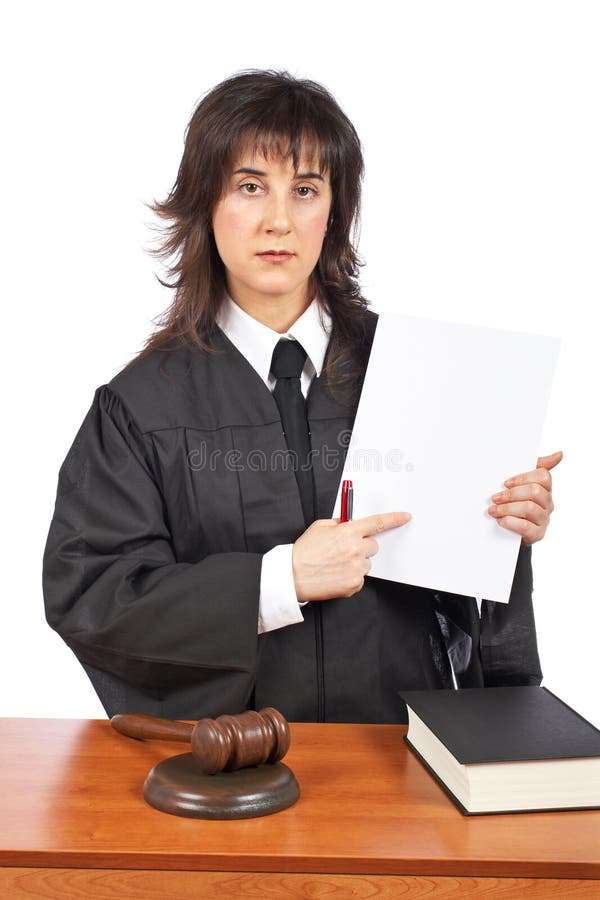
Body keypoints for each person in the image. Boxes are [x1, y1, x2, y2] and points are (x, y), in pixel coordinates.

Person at [42, 69, 562, 724]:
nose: (279, 220)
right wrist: (278, 581)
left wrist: (505, 527)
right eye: (251, 186)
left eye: (307, 189)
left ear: (334, 212)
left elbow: (471, 603)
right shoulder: (140, 408)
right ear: (206, 201)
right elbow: (93, 598)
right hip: (234, 768)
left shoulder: (425, 375)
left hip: (400, 760)